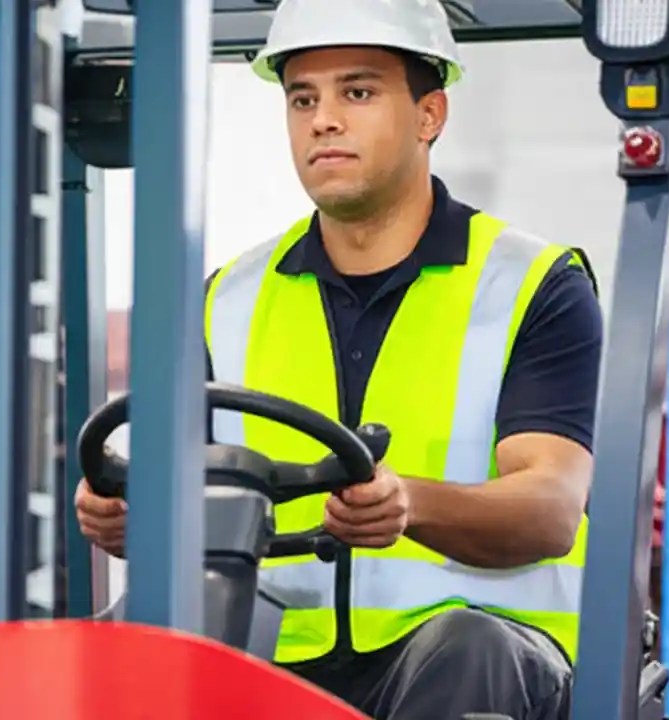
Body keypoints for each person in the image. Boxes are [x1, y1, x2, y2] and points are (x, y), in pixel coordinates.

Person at [75, 1, 603, 718]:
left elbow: (549, 510)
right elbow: (195, 495)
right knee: (119, 651)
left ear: (429, 114)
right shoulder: (226, 298)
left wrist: (410, 503)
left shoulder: (532, 286)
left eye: (357, 92)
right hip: (274, 656)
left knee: (464, 648)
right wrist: (133, 517)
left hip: (487, 660)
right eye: (303, 98)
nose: (323, 119)